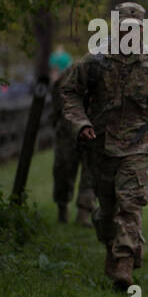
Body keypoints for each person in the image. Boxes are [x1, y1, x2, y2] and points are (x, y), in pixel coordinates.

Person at [59, 1, 148, 290]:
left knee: (130, 206)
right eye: (124, 27)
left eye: (135, 28)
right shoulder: (95, 61)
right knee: (107, 212)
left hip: (139, 148)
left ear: (142, 29)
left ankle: (124, 266)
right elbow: (70, 93)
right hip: (100, 146)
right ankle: (114, 251)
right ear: (116, 28)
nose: (129, 33)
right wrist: (81, 125)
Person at [49, 59, 95, 226]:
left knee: (91, 172)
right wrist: (57, 119)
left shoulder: (107, 72)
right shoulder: (72, 70)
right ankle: (62, 208)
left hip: (93, 129)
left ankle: (84, 212)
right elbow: (57, 95)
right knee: (63, 169)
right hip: (68, 129)